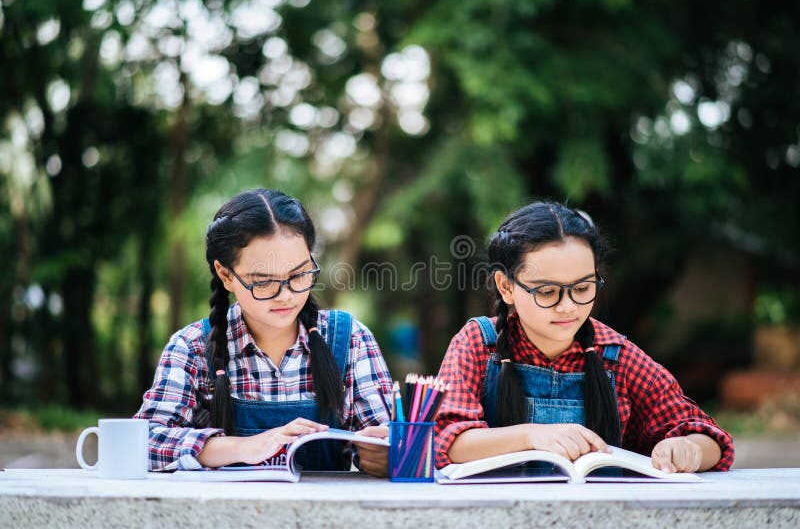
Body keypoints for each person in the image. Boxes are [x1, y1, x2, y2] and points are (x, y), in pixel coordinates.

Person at [434, 202, 734, 473]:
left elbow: (710, 438)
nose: (568, 307)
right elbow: (446, 441)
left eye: (582, 288)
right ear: (506, 286)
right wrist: (531, 435)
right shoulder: (478, 344)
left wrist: (688, 449)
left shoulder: (615, 355)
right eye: (547, 292)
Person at [135, 189, 392, 476]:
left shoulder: (349, 340)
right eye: (264, 282)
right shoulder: (192, 346)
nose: (285, 295)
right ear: (226, 275)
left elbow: (388, 437)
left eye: (299, 275)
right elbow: (143, 442)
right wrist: (246, 446)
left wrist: (385, 454)